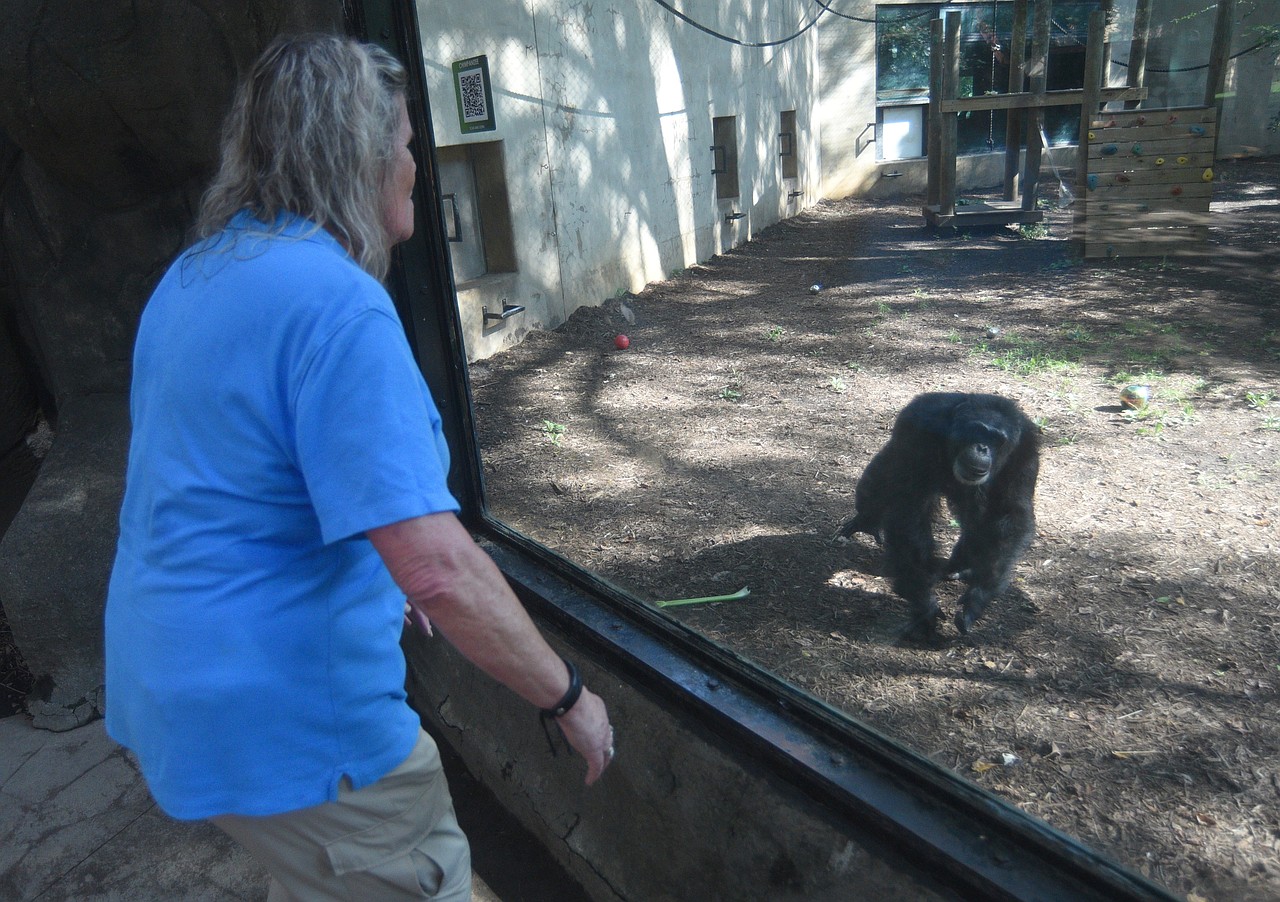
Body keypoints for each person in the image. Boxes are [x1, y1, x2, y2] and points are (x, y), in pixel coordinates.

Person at [104, 33, 613, 901]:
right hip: (293, 724)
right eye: (409, 143)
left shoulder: (193, 277)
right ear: (365, 156)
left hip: (170, 696)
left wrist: (385, 578)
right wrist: (567, 697)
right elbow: (438, 565)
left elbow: (237, 485)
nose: (417, 163)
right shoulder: (339, 307)